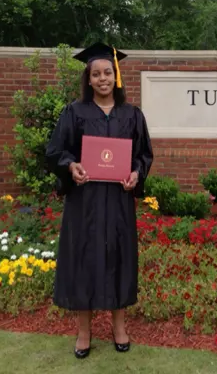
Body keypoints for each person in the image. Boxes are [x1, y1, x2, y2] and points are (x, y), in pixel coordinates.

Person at [45, 42, 153, 359]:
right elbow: (55, 151)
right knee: (83, 259)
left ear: (115, 76)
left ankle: (120, 328)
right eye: (96, 73)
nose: (103, 78)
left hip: (118, 200)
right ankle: (83, 333)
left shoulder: (132, 115)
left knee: (119, 257)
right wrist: (71, 166)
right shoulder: (74, 113)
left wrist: (136, 173)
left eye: (108, 72)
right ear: (88, 79)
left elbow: (144, 155)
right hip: (85, 201)